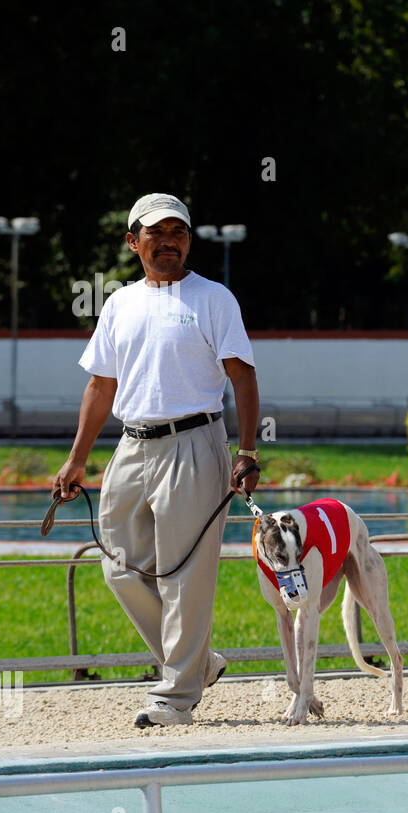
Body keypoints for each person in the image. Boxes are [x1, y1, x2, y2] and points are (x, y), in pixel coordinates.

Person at [52, 193, 260, 727]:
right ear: (133, 241)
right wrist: (77, 460)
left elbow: (242, 376)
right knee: (119, 566)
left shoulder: (214, 299)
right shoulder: (120, 303)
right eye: (156, 232)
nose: (169, 240)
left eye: (179, 232)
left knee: (185, 575)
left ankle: (176, 694)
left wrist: (247, 450)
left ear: (189, 240)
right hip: (130, 445)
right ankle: (198, 663)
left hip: (195, 442)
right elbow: (101, 385)